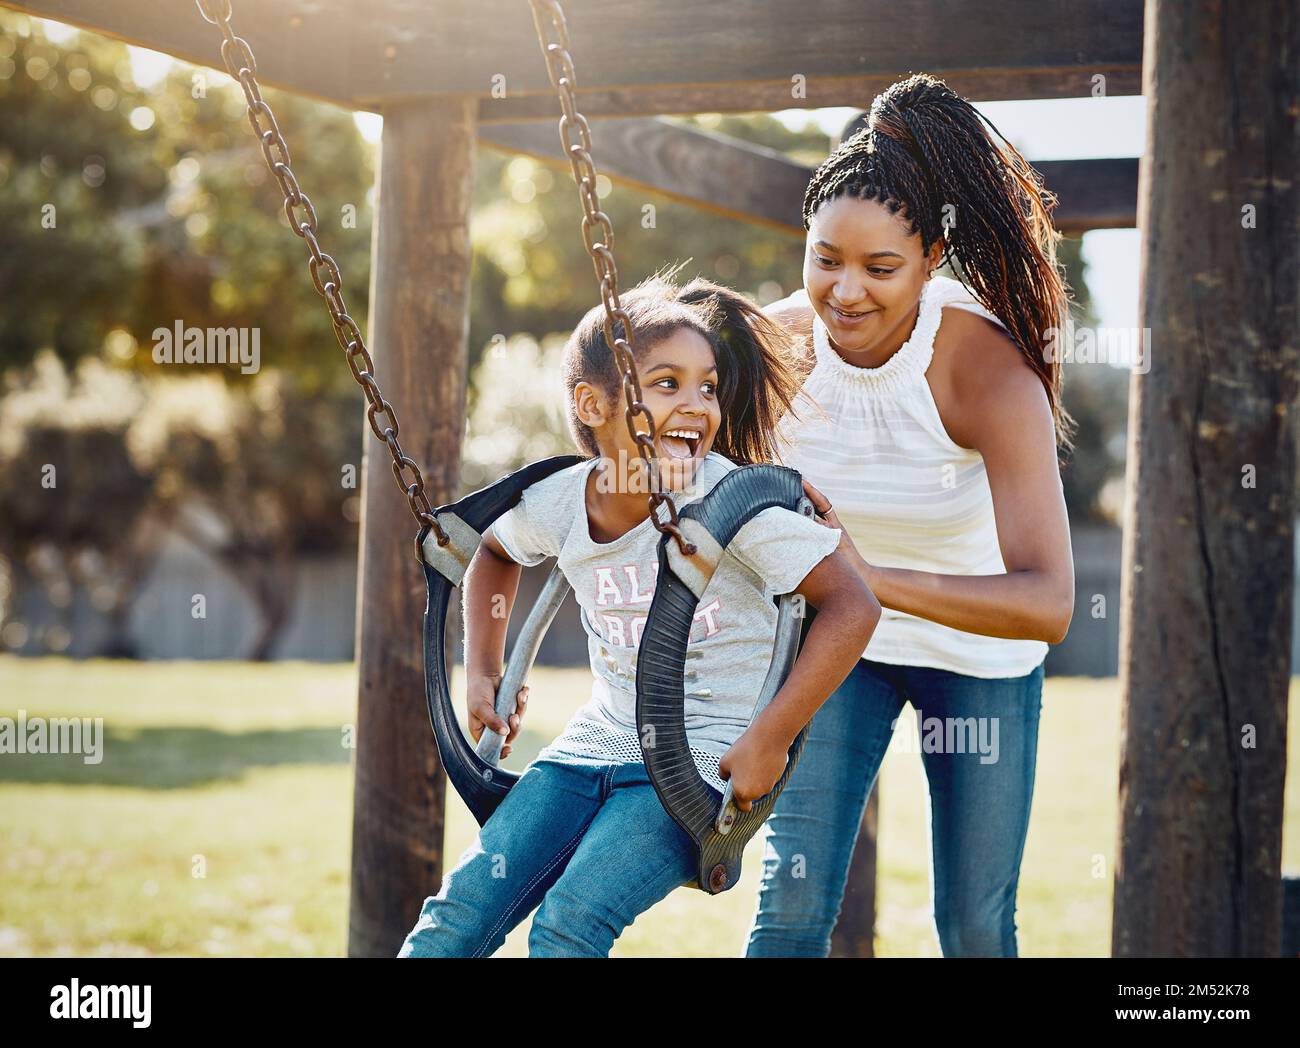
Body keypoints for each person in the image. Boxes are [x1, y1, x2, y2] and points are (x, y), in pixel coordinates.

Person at [399, 268, 881, 958]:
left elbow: (853, 606)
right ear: (592, 405)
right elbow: (494, 554)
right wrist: (481, 670)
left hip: (698, 763)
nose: (696, 405)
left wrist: (770, 738)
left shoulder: (732, 505)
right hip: (592, 746)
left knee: (569, 924)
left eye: (707, 386)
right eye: (667, 384)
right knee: (455, 917)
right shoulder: (565, 499)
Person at [745, 73, 1076, 958]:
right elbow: (642, 389)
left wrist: (869, 580)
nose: (845, 293)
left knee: (971, 926)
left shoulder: (987, 373)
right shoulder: (772, 347)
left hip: (978, 657)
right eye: (825, 259)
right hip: (841, 647)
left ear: (932, 258)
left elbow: (1048, 605)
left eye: (881, 268)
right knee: (789, 911)